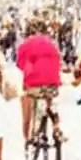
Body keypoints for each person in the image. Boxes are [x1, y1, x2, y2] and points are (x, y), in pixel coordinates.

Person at [16, 19, 64, 147]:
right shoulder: (52, 44)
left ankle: (28, 138)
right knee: (50, 103)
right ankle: (56, 126)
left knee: (27, 107)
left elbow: (20, 65)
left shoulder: (25, 45)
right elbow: (58, 62)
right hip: (52, 83)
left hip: (34, 85)